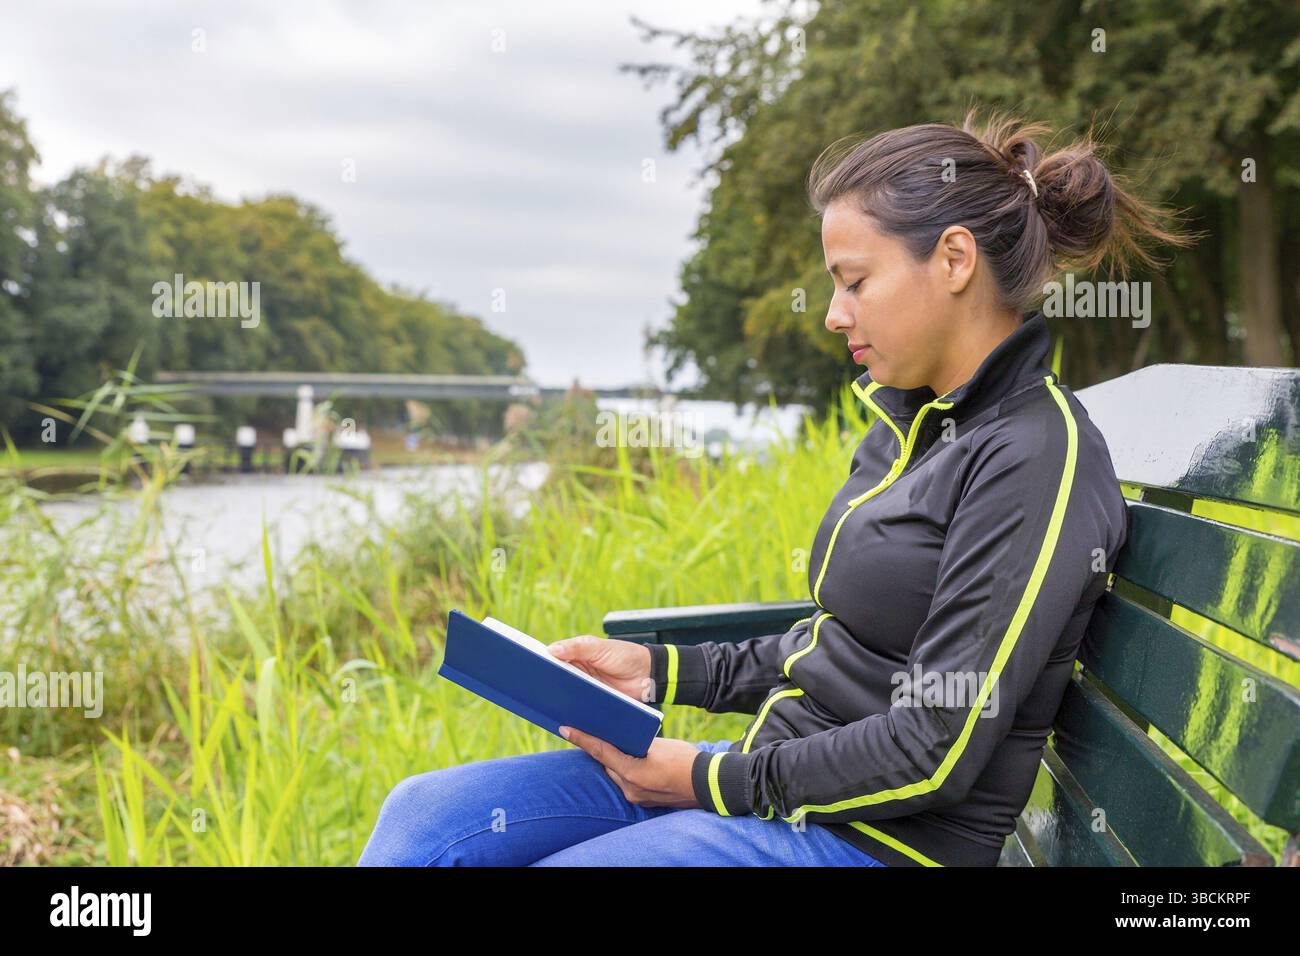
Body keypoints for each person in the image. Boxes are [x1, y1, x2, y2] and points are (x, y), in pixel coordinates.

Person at [357, 110, 1187, 867]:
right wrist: (658, 671)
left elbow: (935, 745)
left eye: (854, 281)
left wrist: (703, 782)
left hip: (875, 841)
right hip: (776, 787)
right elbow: (836, 645)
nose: (834, 313)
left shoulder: (1036, 457)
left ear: (955, 259)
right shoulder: (913, 423)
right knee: (427, 819)